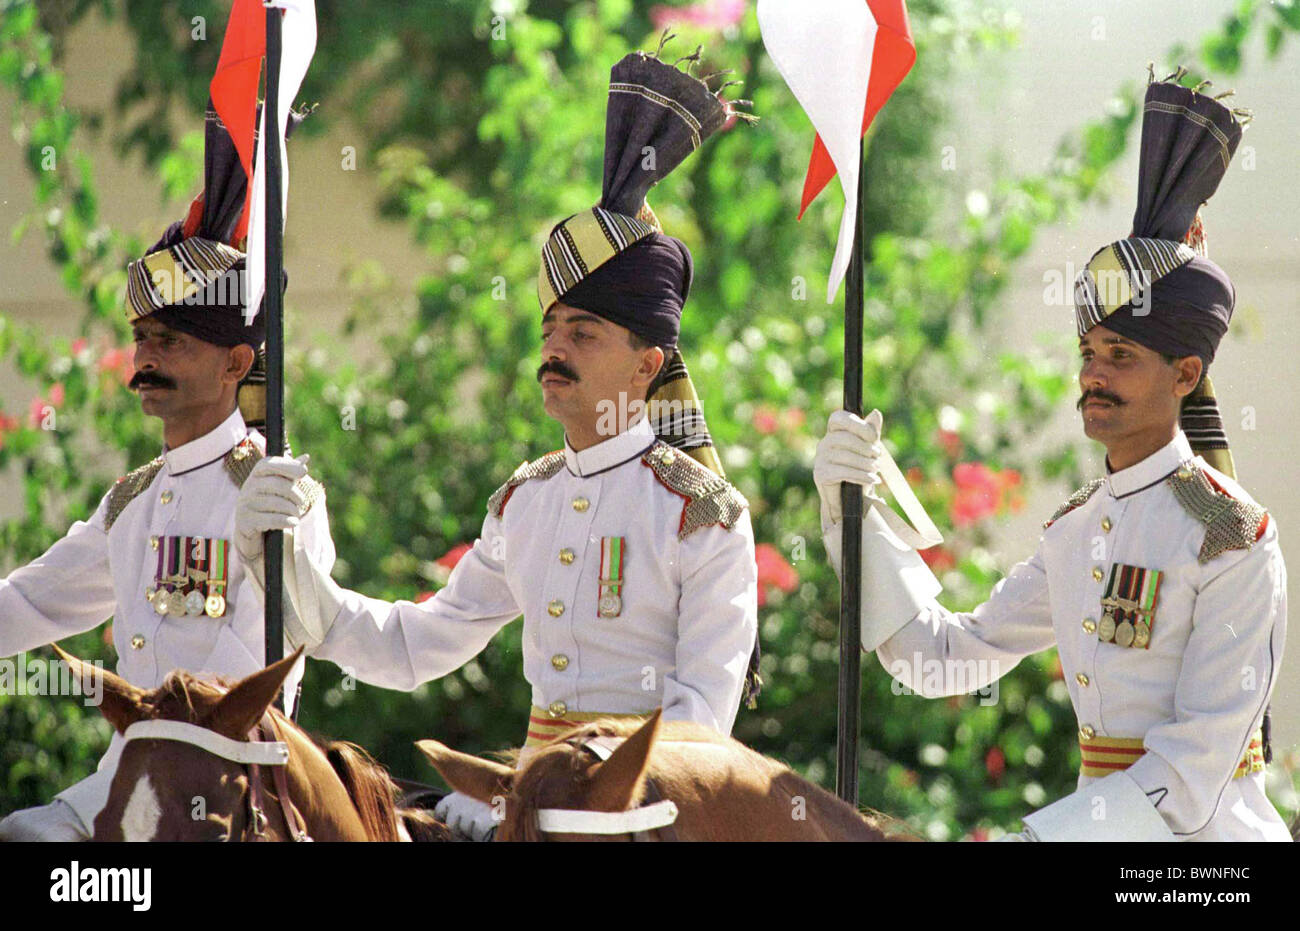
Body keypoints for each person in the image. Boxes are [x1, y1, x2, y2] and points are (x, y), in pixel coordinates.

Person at [235, 42, 760, 840]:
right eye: (551, 328)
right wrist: (285, 563)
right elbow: (415, 646)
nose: (555, 349)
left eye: (584, 333)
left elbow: (701, 721)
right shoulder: (527, 500)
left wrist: (558, 794)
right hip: (528, 804)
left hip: (645, 816)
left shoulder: (703, 515)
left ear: (647, 363)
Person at [813, 71, 1288, 841]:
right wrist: (853, 515)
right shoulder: (1078, 531)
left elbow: (1194, 767)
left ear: (1186, 375)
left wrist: (1045, 839)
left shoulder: (1233, 537)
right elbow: (942, 657)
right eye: (1089, 351)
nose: (1093, 374)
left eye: (1122, 355)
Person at [0, 107, 330, 841]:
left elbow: (288, 642)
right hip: (132, 777)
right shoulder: (133, 503)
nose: (145, 360)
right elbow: (31, 602)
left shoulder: (272, 490)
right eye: (142, 338)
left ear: (235, 363)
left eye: (171, 341)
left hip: (232, 779)